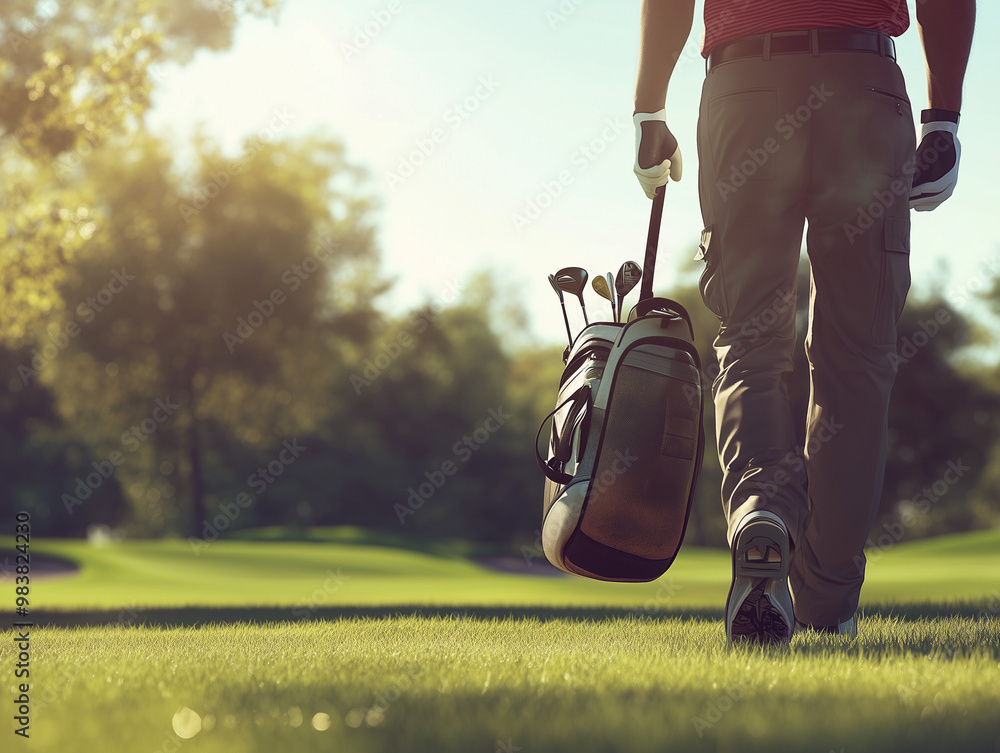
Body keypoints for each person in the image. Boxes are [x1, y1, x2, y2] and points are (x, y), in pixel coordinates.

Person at [632, 0, 975, 643]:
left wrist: (649, 109)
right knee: (857, 359)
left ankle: (762, 509)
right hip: (863, 86)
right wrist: (946, 119)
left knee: (749, 341)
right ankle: (828, 602)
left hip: (745, 88)